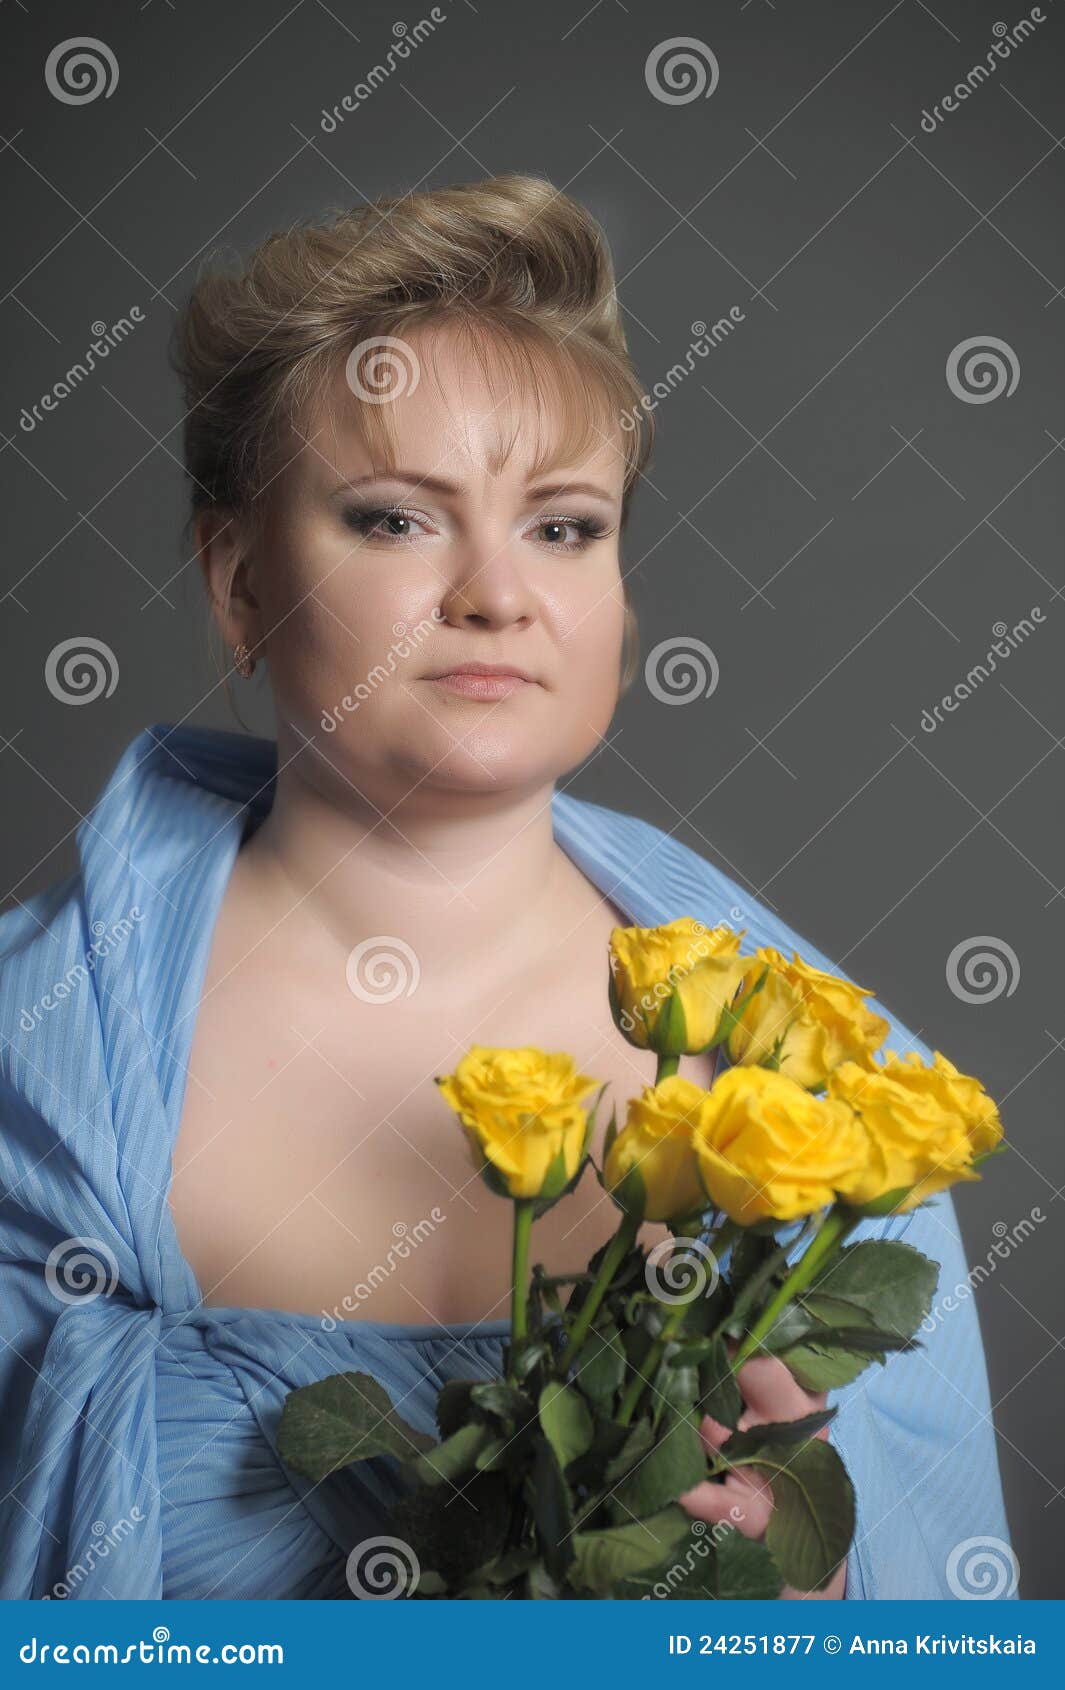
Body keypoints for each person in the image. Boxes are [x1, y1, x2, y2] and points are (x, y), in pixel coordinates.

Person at [0, 175, 1011, 1600]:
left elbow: (939, 1610)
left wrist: (803, 1575)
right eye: (395, 520)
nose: (496, 592)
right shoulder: (30, 1066)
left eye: (562, 525)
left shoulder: (839, 1104)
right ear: (235, 583)